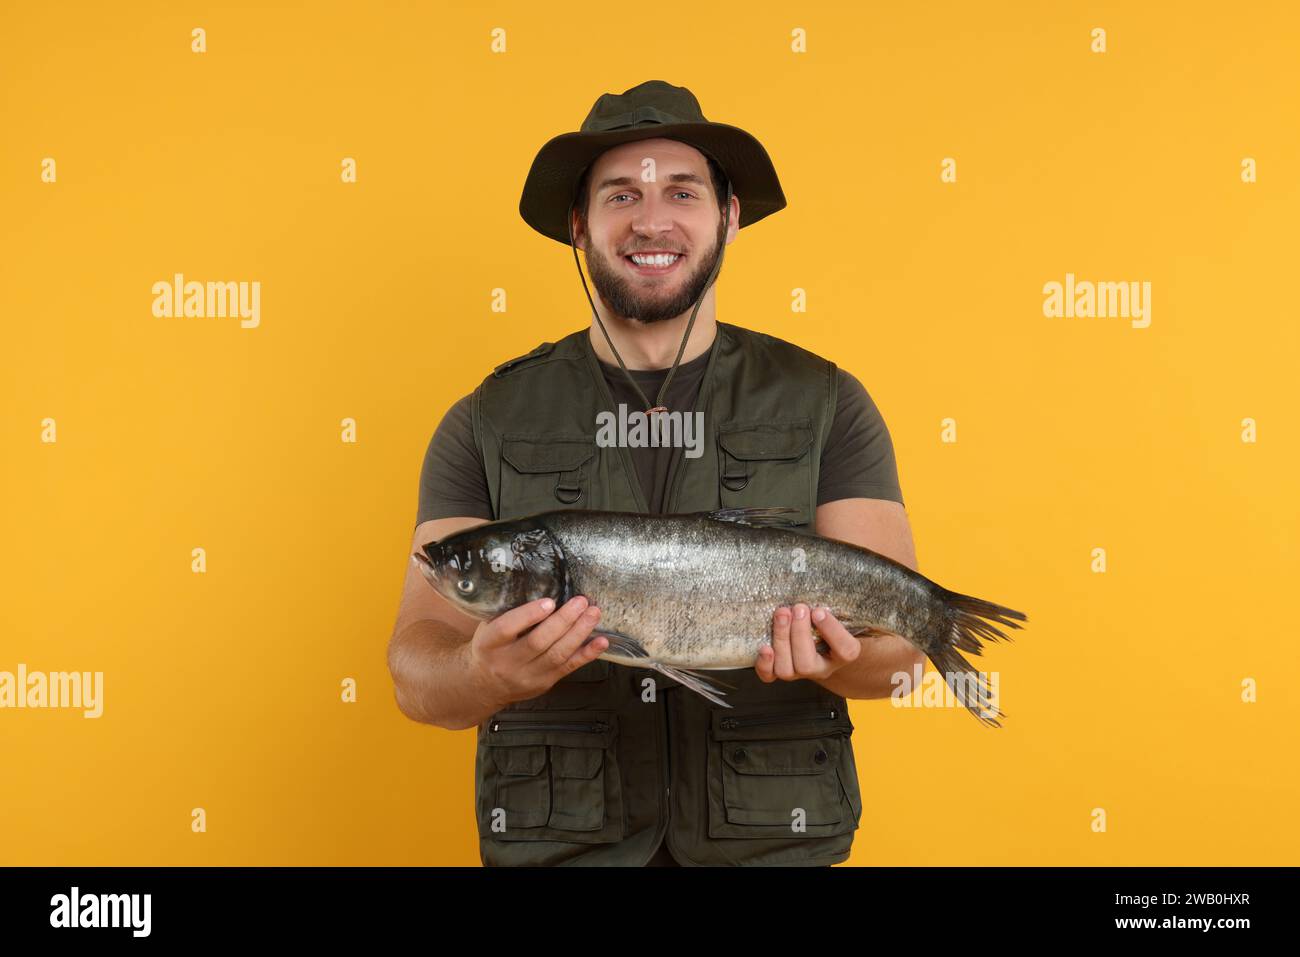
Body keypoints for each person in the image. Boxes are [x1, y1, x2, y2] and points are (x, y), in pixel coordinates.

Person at [388, 80, 923, 866]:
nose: (651, 219)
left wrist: (846, 659)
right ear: (579, 227)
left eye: (681, 190)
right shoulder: (484, 418)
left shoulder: (828, 403)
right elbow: (415, 674)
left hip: (773, 844)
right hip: (559, 846)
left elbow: (905, 657)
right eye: (619, 195)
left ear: (728, 217)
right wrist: (478, 670)